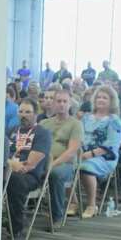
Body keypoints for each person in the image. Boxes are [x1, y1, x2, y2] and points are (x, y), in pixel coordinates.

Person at [2, 98, 51, 240]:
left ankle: (15, 229)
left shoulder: (42, 133)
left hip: (30, 176)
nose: (23, 115)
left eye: (28, 112)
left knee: (14, 181)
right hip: (8, 169)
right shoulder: (12, 131)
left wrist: (9, 163)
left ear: (36, 114)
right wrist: (11, 163)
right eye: (21, 111)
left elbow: (28, 165)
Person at [75, 85, 121, 218]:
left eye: (105, 98)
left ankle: (92, 205)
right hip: (82, 153)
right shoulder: (85, 118)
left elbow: (112, 144)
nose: (101, 100)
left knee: (85, 167)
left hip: (104, 156)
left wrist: (89, 155)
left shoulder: (114, 121)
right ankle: (73, 202)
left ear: (111, 101)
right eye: (99, 97)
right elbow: (78, 136)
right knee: (65, 164)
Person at [41, 90, 82, 225]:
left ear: (70, 104)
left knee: (55, 174)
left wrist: (53, 164)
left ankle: (57, 215)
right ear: (53, 103)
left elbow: (71, 151)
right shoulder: (44, 123)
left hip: (65, 164)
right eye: (58, 101)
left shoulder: (75, 124)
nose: (62, 104)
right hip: (42, 161)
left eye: (65, 101)